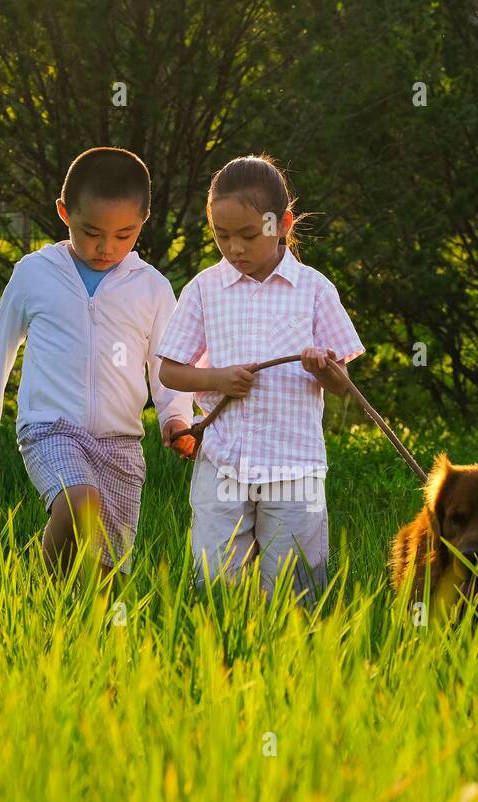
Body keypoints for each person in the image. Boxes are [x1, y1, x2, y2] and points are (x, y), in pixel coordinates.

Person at [0, 147, 195, 579]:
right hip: (51, 427)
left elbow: (168, 362)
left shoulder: (152, 288)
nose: (106, 247)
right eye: (91, 232)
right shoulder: (35, 274)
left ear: (143, 220)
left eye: (124, 235)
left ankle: (75, 621)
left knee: (109, 573)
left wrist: (176, 418)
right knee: (79, 502)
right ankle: (42, 592)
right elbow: (0, 350)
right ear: (64, 213)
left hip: (121, 442)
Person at [156, 154, 364, 605]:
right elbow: (170, 370)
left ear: (283, 223)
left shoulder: (314, 289)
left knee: (295, 590)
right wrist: (217, 378)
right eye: (221, 235)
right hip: (223, 460)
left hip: (295, 465)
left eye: (248, 235)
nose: (235, 248)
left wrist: (322, 367)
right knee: (216, 581)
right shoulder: (204, 289)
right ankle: (223, 657)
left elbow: (342, 382)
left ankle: (292, 662)